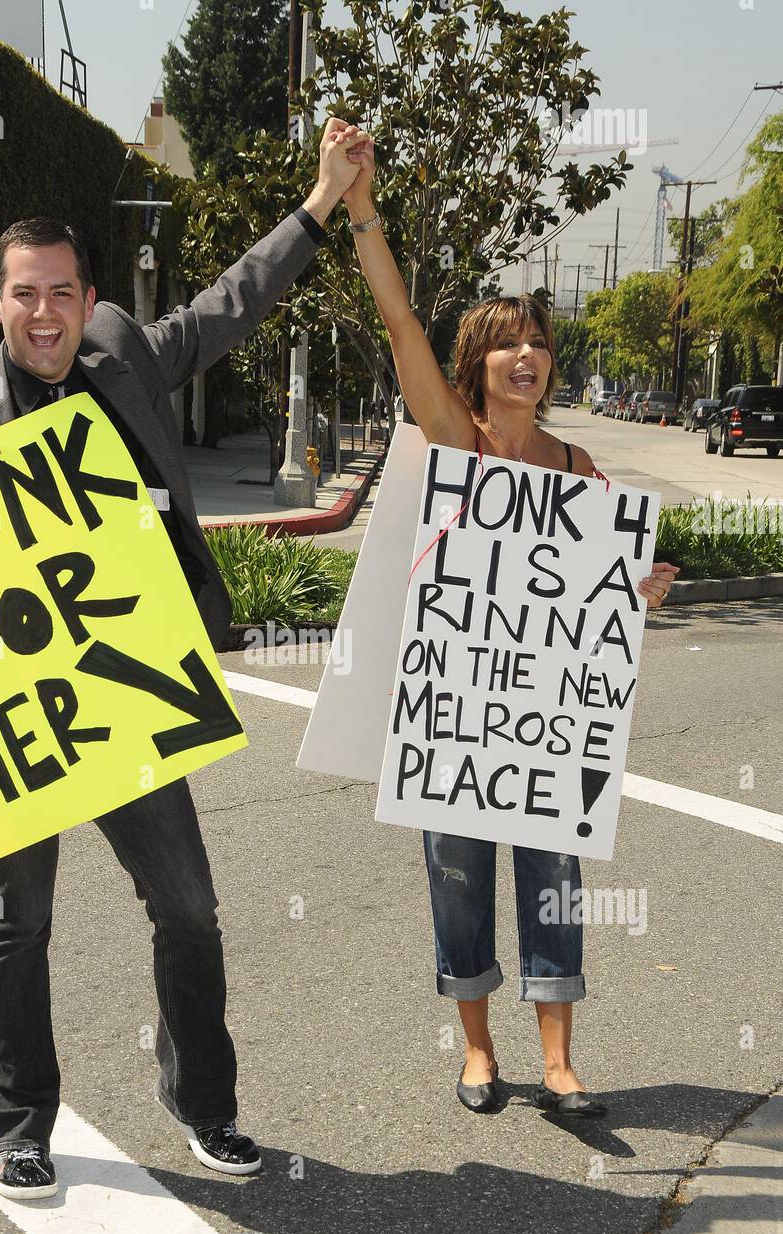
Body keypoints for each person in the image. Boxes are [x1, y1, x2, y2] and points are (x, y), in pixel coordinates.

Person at [0, 118, 371, 1197]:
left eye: (62, 292)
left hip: (130, 693)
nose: (44, 312)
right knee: (18, 919)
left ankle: (205, 1105)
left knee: (188, 907)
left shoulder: (128, 364)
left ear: (87, 297)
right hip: (19, 710)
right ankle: (18, 1124)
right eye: (24, 293)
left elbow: (232, 301)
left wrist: (323, 199)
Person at [337, 125, 679, 1118]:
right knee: (457, 878)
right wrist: (360, 211)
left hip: (544, 720)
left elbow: (598, 588)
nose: (525, 356)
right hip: (455, 711)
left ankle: (561, 1064)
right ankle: (478, 1052)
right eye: (506, 344)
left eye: (536, 344)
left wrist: (640, 589)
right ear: (475, 364)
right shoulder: (458, 441)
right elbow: (400, 323)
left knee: (553, 875)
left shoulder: (577, 470)